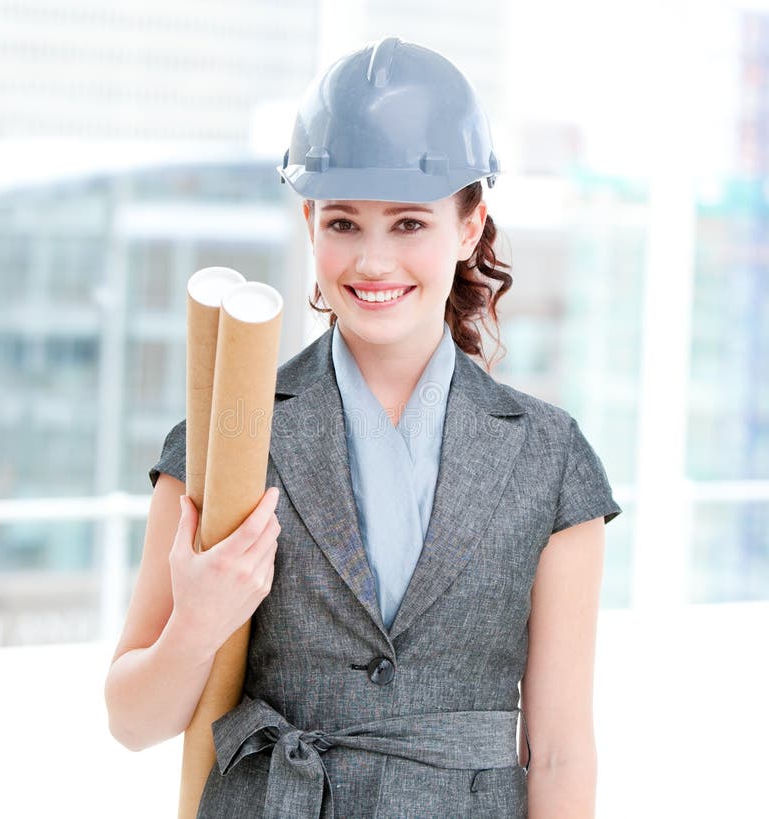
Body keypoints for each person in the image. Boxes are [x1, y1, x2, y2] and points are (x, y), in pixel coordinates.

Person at [105, 36, 621, 818]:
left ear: (471, 224)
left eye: (409, 224)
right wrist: (198, 622)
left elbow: (557, 753)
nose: (373, 262)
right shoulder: (226, 438)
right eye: (344, 223)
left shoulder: (550, 460)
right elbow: (131, 720)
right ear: (309, 219)